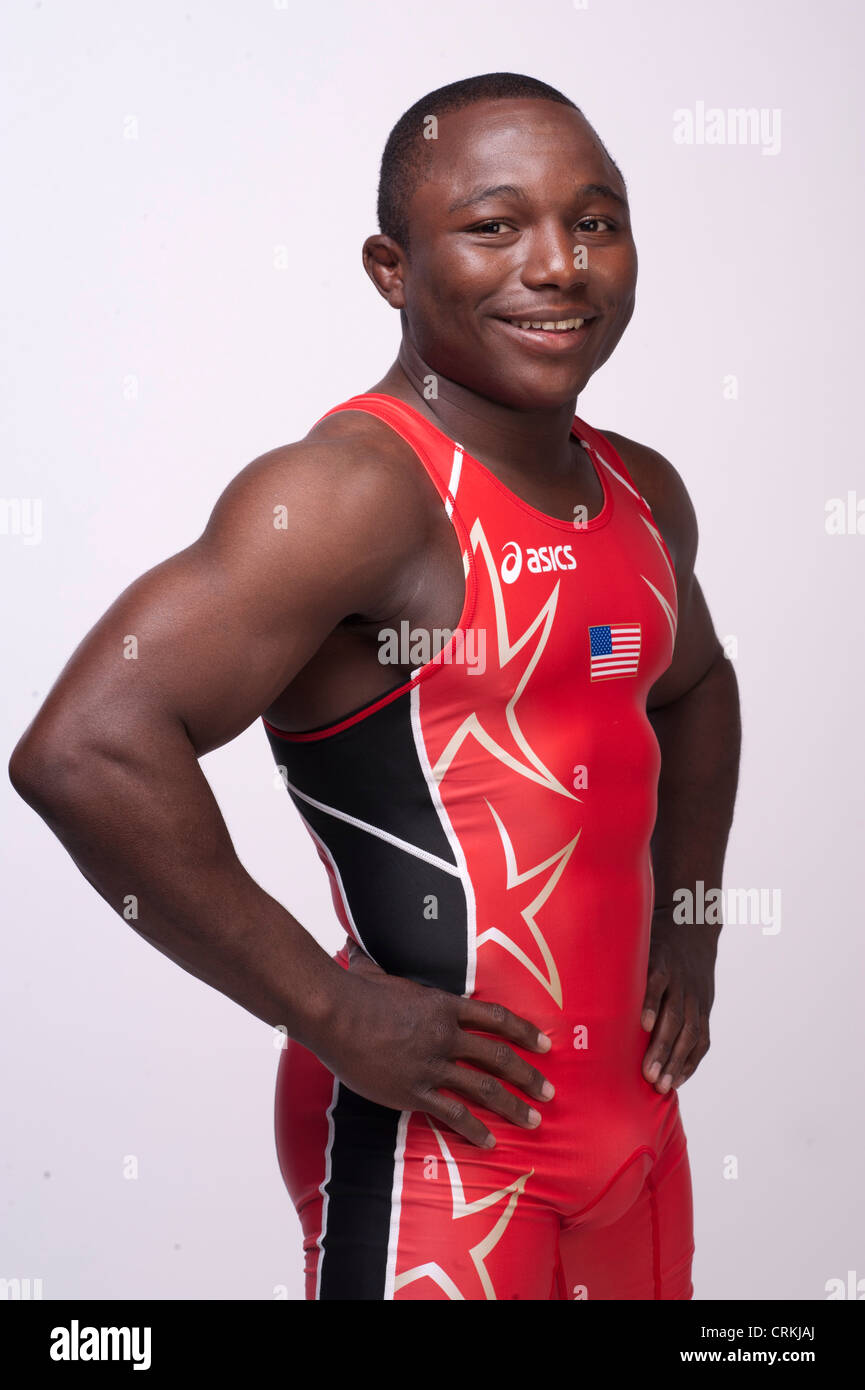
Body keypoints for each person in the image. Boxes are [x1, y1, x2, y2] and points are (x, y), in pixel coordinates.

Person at [9, 71, 741, 1300]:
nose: (557, 263)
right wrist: (328, 1010)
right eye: (495, 224)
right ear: (391, 269)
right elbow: (84, 747)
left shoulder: (641, 493)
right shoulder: (354, 496)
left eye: (595, 221)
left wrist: (693, 920)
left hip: (635, 1135)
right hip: (438, 1152)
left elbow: (696, 686)